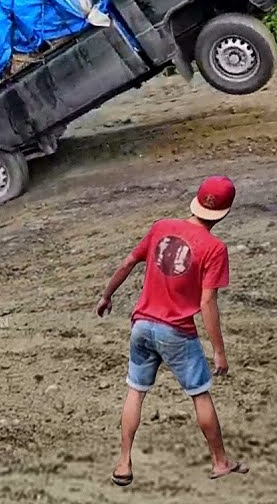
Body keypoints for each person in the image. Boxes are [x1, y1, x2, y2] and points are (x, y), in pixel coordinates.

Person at [96, 175, 248, 485]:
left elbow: (128, 262)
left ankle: (123, 463)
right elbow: (207, 302)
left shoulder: (161, 227)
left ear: (196, 199)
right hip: (176, 332)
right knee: (199, 394)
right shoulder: (214, 248)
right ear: (226, 211)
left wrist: (107, 294)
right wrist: (218, 350)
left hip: (141, 326)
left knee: (135, 392)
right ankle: (220, 461)